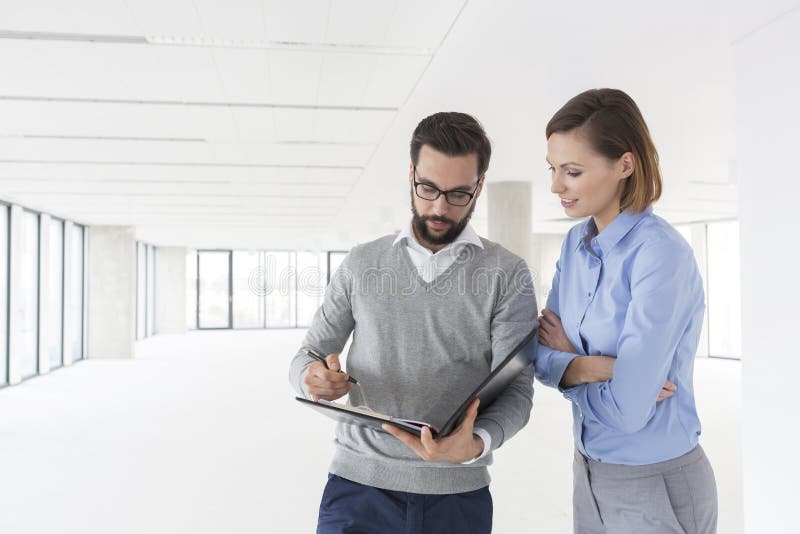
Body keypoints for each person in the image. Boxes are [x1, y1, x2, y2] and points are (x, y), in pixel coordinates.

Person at [289, 111, 538, 534]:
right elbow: (308, 355)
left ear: (479, 186)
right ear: (411, 174)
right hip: (357, 490)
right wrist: (312, 378)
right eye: (428, 188)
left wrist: (478, 442)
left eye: (459, 194)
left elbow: (516, 389)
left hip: (457, 497)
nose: (439, 207)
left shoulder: (507, 273)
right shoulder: (363, 262)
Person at [534, 88, 718, 533]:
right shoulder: (575, 246)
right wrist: (599, 367)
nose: (556, 186)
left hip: (655, 479)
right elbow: (538, 355)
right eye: (553, 169)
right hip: (588, 471)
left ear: (625, 165)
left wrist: (570, 369)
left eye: (572, 172)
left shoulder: (659, 255)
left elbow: (630, 411)